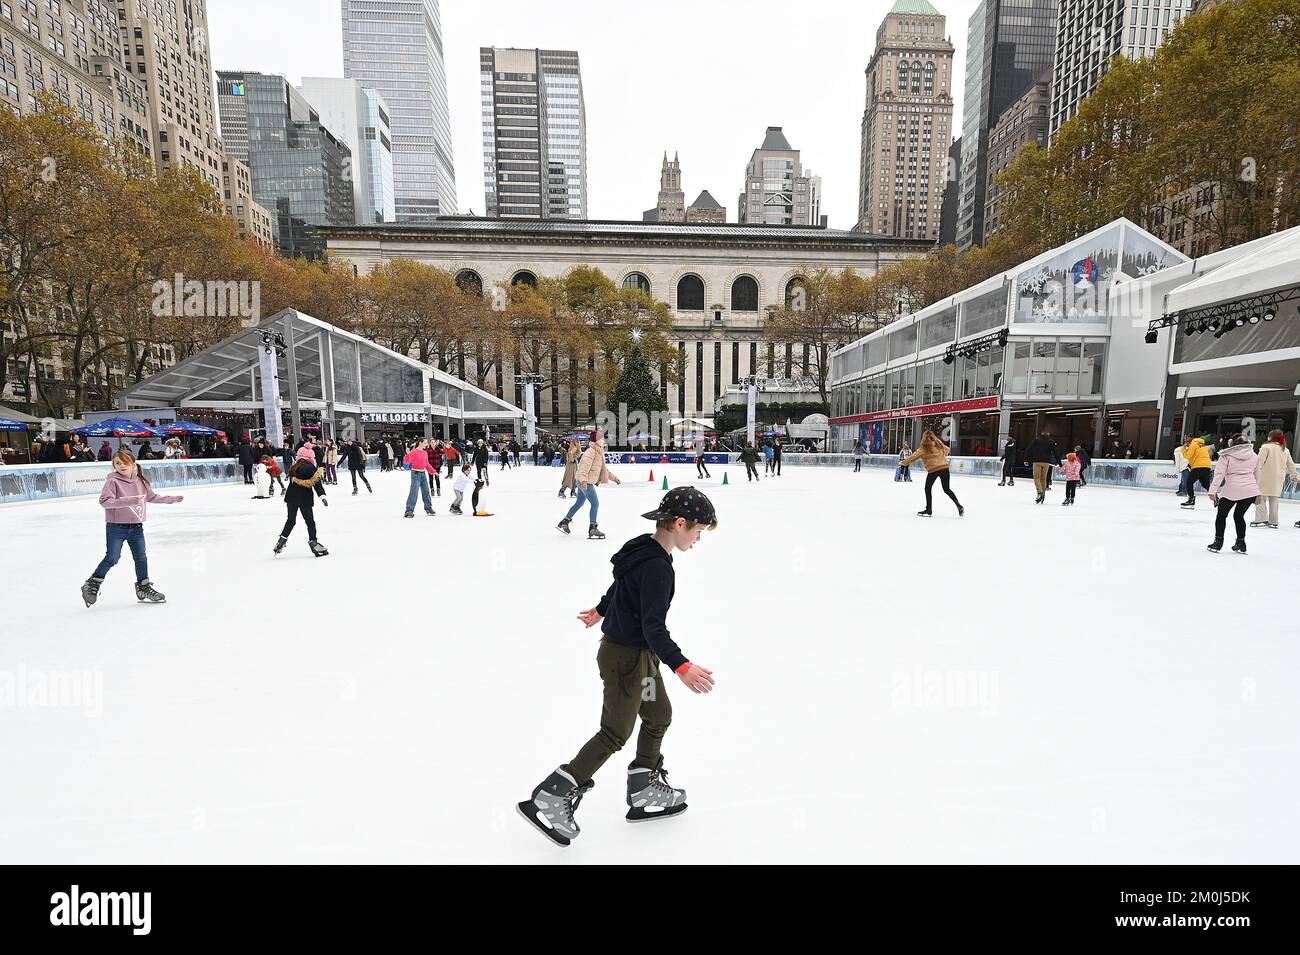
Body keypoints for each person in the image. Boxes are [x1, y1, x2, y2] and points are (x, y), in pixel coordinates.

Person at [519, 486, 718, 847]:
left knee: (658, 714)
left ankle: (643, 789)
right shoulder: (658, 567)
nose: (698, 539)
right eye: (698, 531)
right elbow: (652, 627)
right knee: (615, 732)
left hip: (640, 661)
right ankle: (551, 796)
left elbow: (621, 586)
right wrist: (682, 666)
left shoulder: (645, 550)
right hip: (628, 661)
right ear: (679, 523)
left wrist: (602, 608)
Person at [80, 449, 182, 607]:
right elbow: (105, 501)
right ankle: (93, 582)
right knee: (112, 557)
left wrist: (171, 499)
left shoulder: (141, 481)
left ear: (133, 464)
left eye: (124, 462)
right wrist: (129, 500)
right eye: (117, 463)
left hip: (136, 527)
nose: (121, 466)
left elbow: (152, 497)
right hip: (116, 527)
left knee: (141, 558)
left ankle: (144, 587)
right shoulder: (112, 481)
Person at [557, 430, 621, 539]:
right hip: (585, 482)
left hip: (583, 481)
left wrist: (614, 478)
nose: (603, 441)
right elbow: (583, 468)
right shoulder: (591, 451)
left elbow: (603, 470)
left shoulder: (598, 452)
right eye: (601, 439)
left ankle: (565, 521)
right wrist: (584, 482)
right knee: (595, 504)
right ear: (596, 441)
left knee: (579, 503)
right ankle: (593, 528)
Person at [1207, 434, 1259, 554]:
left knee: (1221, 515)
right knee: (1239, 516)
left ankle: (1218, 542)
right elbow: (1257, 475)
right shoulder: (1254, 456)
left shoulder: (1226, 456)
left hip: (1232, 490)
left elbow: (1219, 475)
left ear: (1233, 443)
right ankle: (1241, 542)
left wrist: (1212, 491)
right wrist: (1257, 491)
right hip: (1250, 491)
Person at [275, 445, 329, 557]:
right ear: (310, 456)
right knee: (310, 521)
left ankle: (281, 542)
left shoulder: (294, 467)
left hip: (291, 498)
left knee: (290, 521)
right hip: (305, 499)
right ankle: (313, 542)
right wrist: (322, 496)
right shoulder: (311, 467)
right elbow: (316, 483)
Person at [901, 430, 964, 518]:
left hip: (934, 469)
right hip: (944, 467)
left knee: (927, 488)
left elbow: (914, 456)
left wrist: (903, 463)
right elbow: (947, 450)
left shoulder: (924, 447)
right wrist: (941, 457)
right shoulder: (938, 443)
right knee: (946, 489)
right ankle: (959, 505)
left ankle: (929, 509)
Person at [1251, 430, 1296, 529]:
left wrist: (1252, 474)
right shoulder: (1285, 449)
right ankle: (1273, 521)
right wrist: (1294, 475)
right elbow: (1291, 464)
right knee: (1274, 499)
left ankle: (1261, 518)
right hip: (1278, 478)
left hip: (1264, 476)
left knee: (1260, 497)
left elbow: (1259, 463)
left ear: (1270, 437)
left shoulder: (1266, 447)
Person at [402, 437, 437, 518]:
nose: (426, 444)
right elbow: (407, 462)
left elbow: (426, 464)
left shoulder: (425, 453)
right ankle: (409, 510)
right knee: (414, 492)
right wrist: (407, 454)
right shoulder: (414, 451)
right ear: (420, 442)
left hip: (423, 474)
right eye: (425, 443)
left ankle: (428, 508)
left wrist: (433, 471)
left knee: (426, 491)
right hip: (415, 474)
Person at [1024, 432, 1061, 504]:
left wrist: (1026, 459)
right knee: (1043, 478)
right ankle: (1043, 495)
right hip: (1046, 462)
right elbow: (1055, 452)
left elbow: (1029, 449)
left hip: (1037, 461)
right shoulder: (1051, 441)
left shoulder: (1036, 440)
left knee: (1037, 478)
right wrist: (1059, 463)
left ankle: (1040, 492)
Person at [1180, 434, 1214, 508]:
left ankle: (1191, 500)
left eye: (1187, 440)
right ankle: (1216, 498)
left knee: (1189, 482)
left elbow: (1188, 456)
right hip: (1207, 466)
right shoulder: (1203, 445)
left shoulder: (1194, 444)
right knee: (1205, 484)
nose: (1186, 442)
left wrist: (1183, 449)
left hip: (1198, 466)